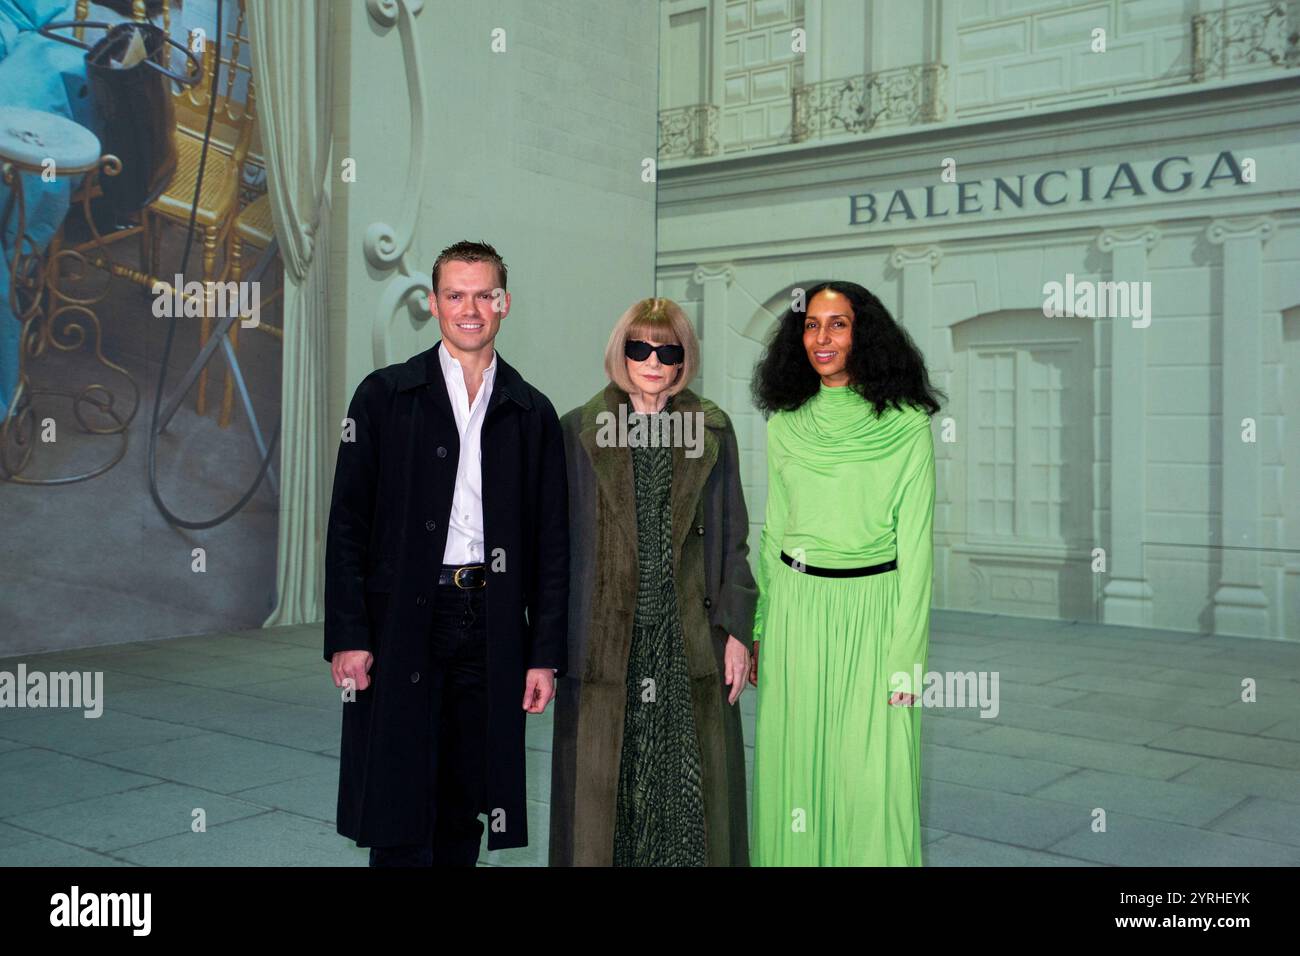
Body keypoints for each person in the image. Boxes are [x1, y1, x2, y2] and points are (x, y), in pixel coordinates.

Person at [324, 240, 568, 866]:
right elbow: (347, 524)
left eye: (484, 294)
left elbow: (549, 547)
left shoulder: (531, 411)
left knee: (469, 796)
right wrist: (349, 634)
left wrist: (542, 654)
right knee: (400, 793)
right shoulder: (383, 397)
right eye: (455, 295)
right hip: (404, 615)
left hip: (488, 621)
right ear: (432, 304)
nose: (470, 308)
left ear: (504, 303)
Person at [549, 297, 757, 866]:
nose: (653, 360)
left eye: (669, 350)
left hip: (688, 637)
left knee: (690, 799)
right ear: (622, 351)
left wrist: (739, 632)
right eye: (640, 347)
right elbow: (555, 551)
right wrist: (546, 649)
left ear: (684, 357)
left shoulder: (709, 428)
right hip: (605, 644)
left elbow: (734, 538)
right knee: (605, 801)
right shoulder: (576, 431)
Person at [748, 281, 943, 866]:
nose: (822, 337)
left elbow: (917, 550)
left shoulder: (907, 424)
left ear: (865, 333)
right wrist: (760, 626)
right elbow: (774, 532)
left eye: (838, 324)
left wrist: (908, 657)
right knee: (796, 770)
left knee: (873, 780)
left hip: (877, 614)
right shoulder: (785, 422)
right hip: (795, 615)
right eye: (811, 325)